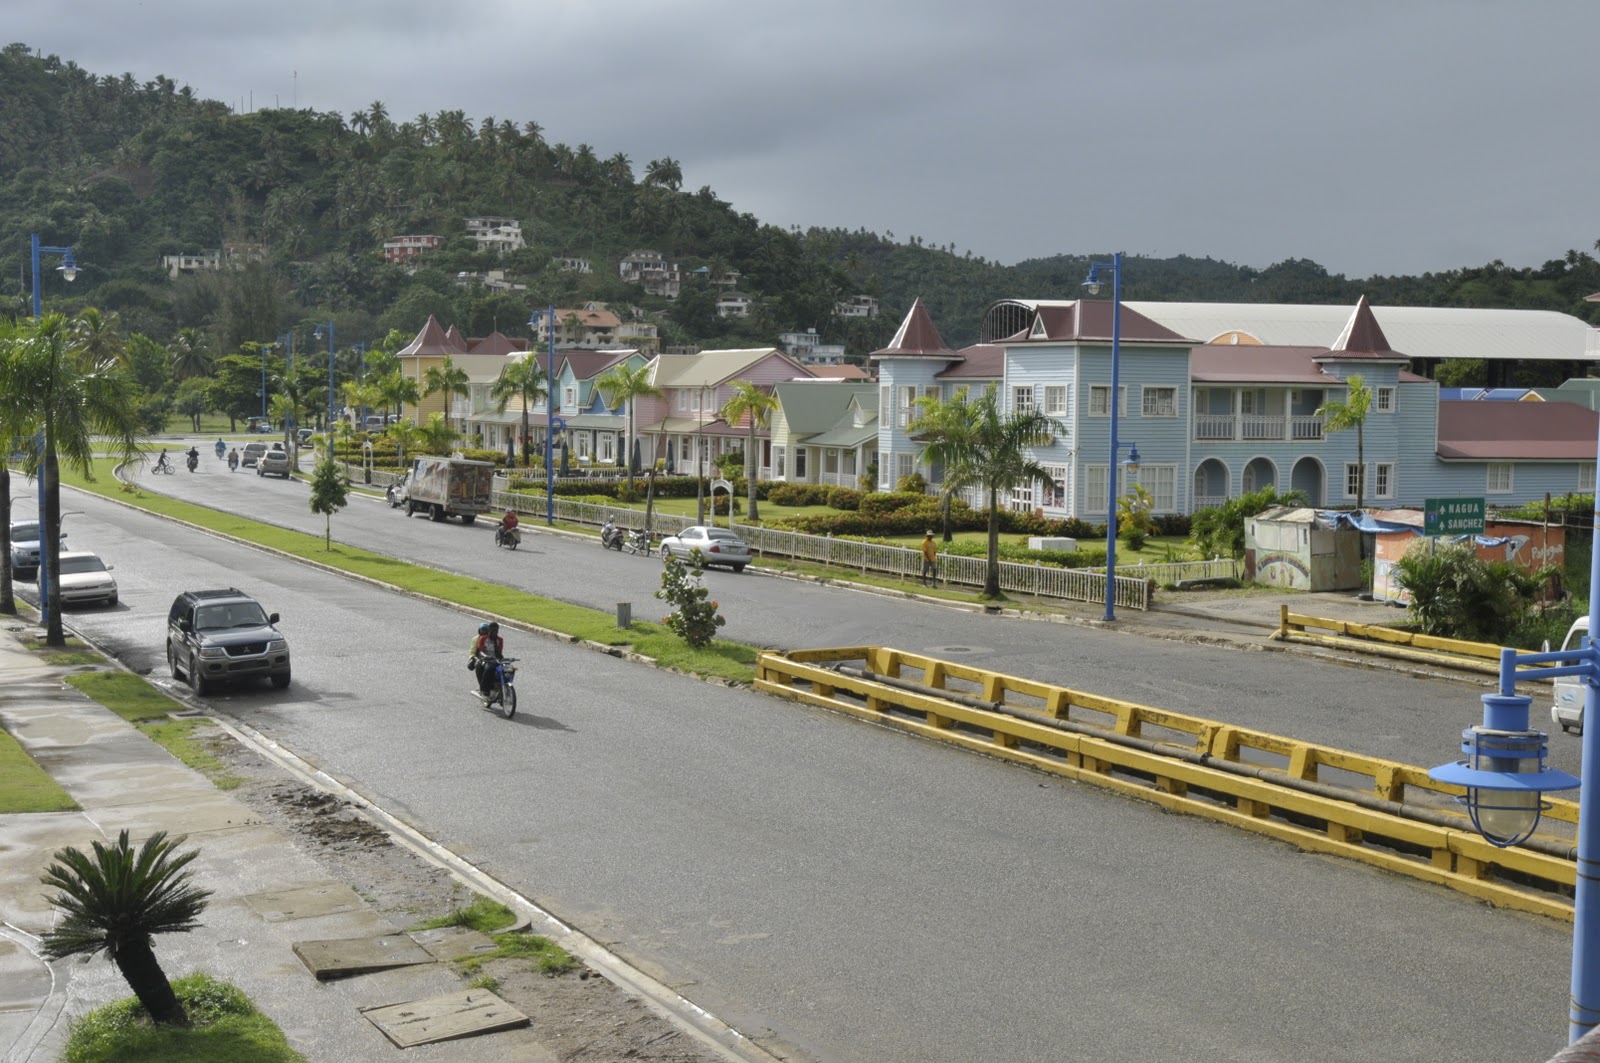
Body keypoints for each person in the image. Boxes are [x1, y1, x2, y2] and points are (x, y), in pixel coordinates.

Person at [469, 621, 505, 696]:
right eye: (493, 630)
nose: (494, 632)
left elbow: (499, 652)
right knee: (489, 669)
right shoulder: (483, 639)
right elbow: (481, 651)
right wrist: (485, 656)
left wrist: (503, 659)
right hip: (486, 660)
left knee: (507, 670)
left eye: (496, 631)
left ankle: (503, 686)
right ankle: (484, 689)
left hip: (496, 660)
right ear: (489, 630)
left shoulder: (500, 640)